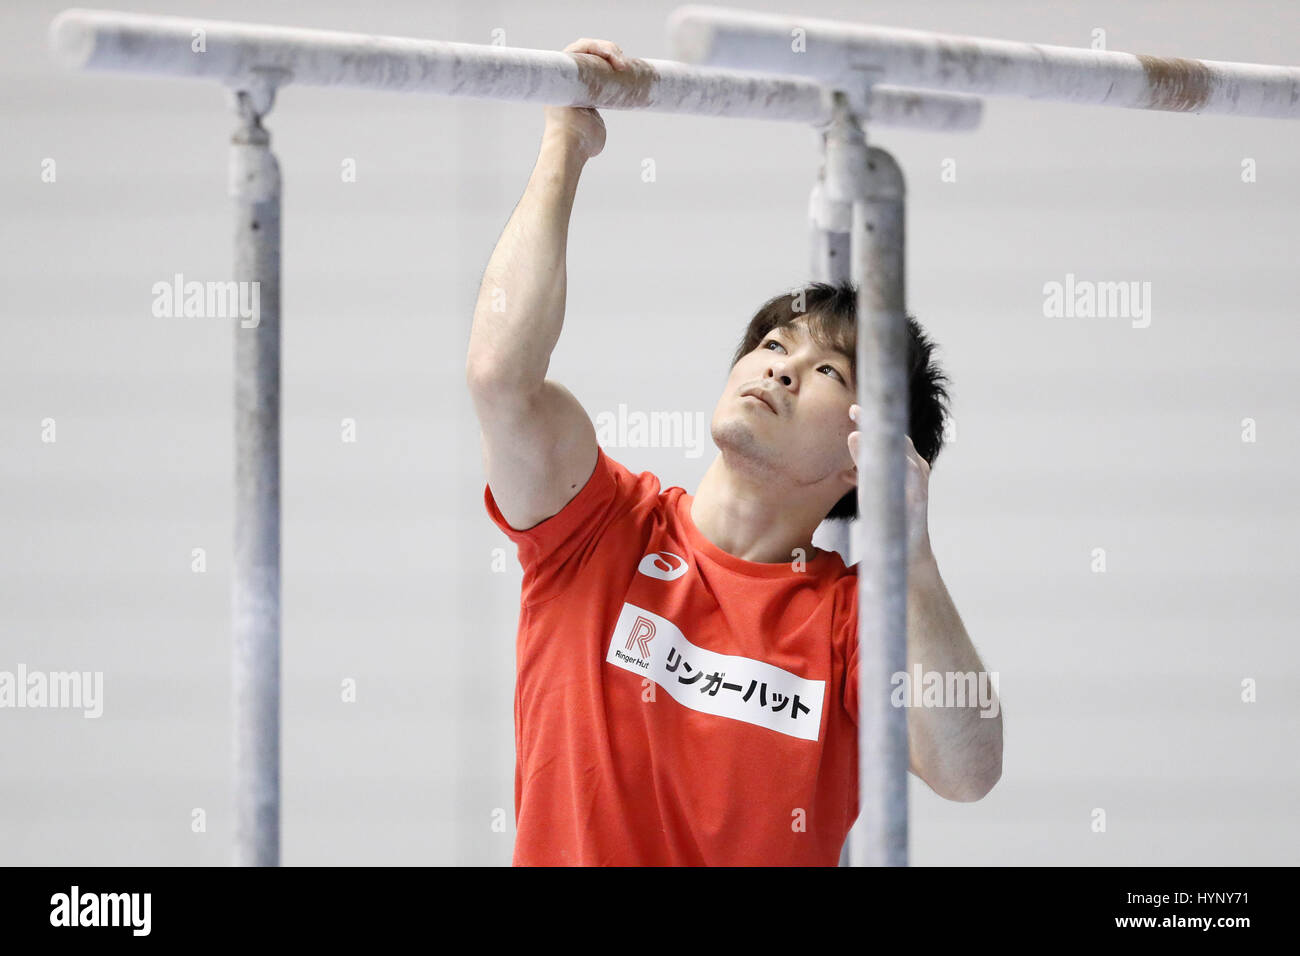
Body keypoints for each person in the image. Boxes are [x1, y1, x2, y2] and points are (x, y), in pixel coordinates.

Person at [466, 38, 1002, 866]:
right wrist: (564, 145)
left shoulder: (850, 619)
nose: (782, 364)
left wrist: (913, 556)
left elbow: (967, 769)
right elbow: (501, 376)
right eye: (774, 343)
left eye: (827, 368)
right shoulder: (600, 527)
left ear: (866, 451)